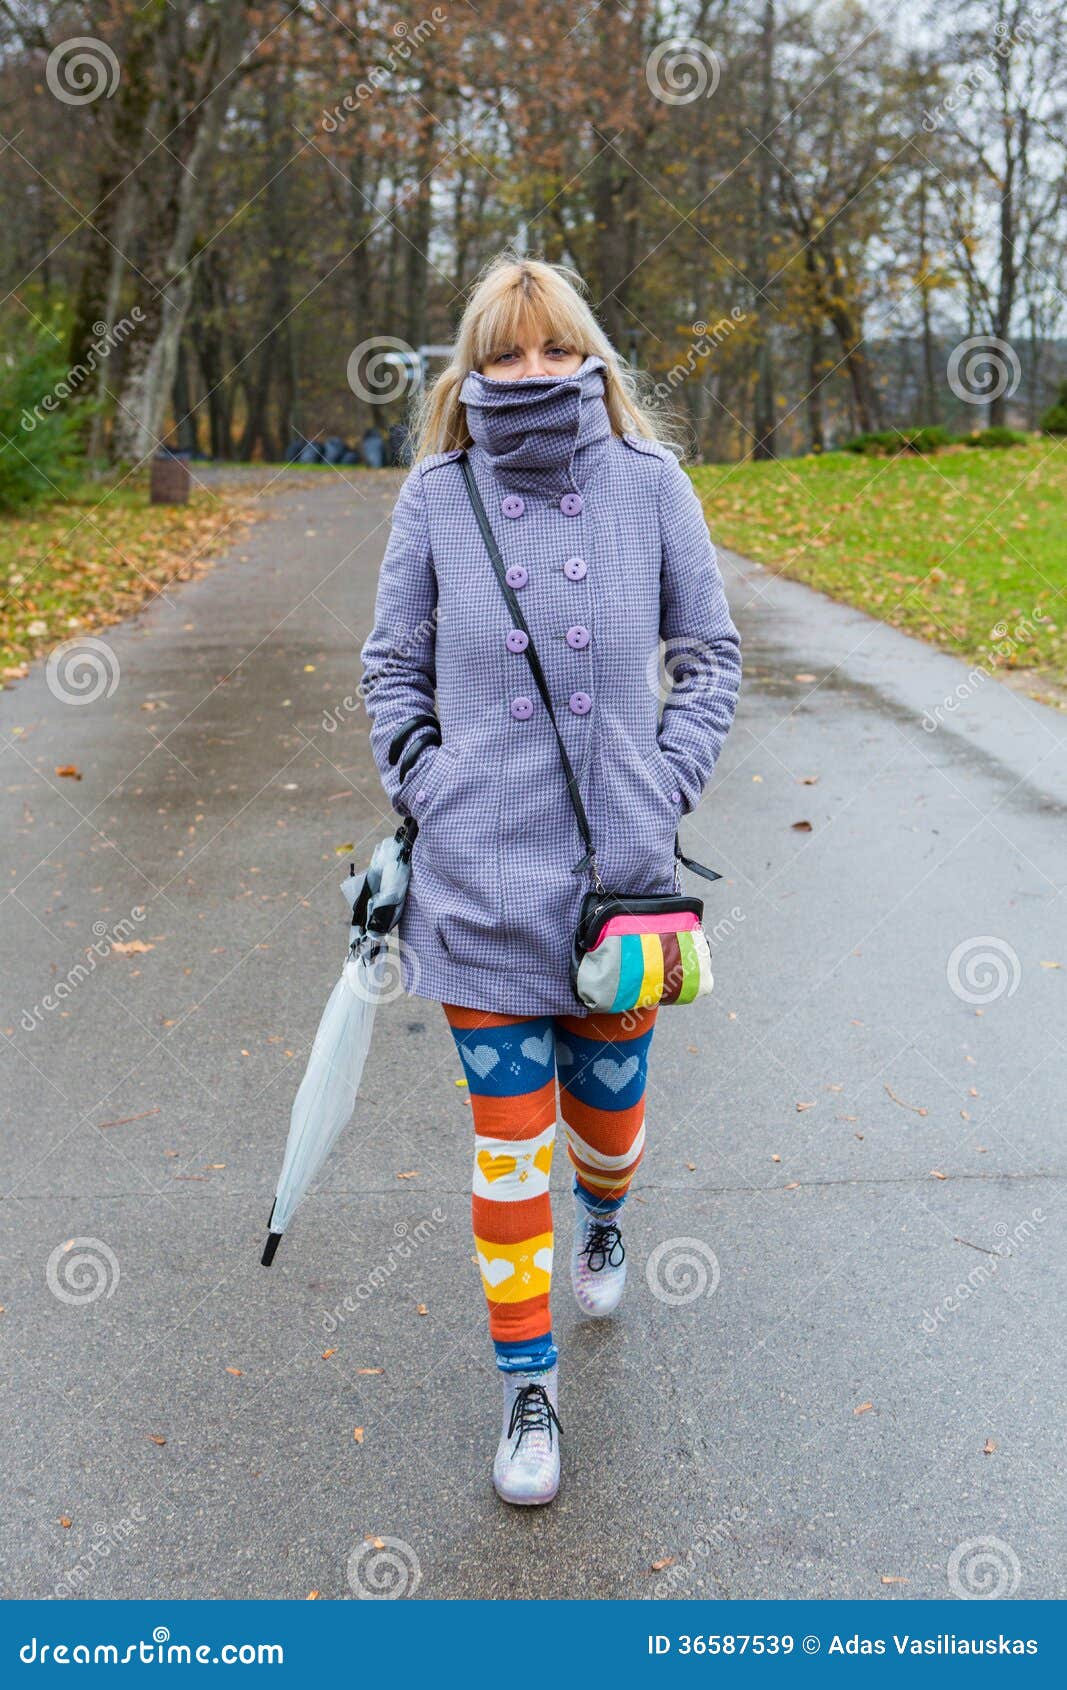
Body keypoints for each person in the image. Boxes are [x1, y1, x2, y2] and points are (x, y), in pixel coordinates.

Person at [359, 254, 741, 1506]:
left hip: (619, 882)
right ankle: (527, 1391)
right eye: (504, 353)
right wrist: (428, 785)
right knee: (506, 1147)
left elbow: (710, 652)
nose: (531, 372)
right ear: (469, 372)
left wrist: (663, 782)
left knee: (606, 1124)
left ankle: (611, 1209)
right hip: (473, 890)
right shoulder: (434, 496)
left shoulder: (649, 485)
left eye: (553, 348)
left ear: (589, 359)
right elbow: (390, 669)